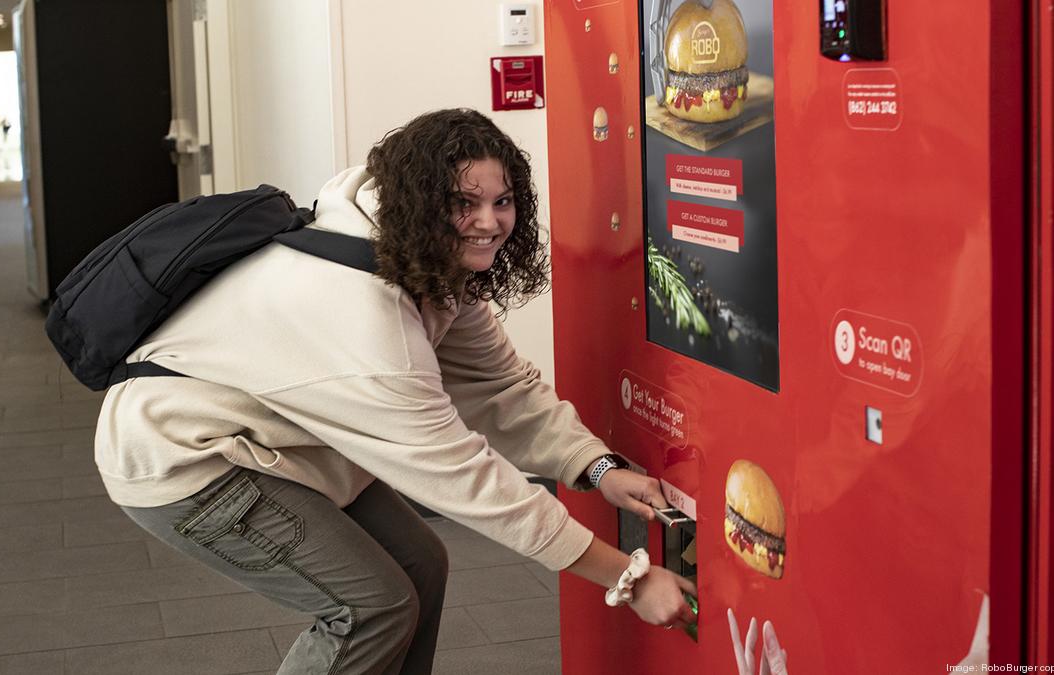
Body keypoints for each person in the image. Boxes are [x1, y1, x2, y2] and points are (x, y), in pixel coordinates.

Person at [100, 108, 696, 674]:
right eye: (465, 204)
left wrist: (596, 467)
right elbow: (466, 479)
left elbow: (500, 385)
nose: (490, 222)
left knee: (421, 564)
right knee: (371, 608)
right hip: (183, 457)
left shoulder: (420, 260)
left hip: (271, 440)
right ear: (419, 202)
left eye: (502, 201)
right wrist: (632, 578)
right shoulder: (365, 319)